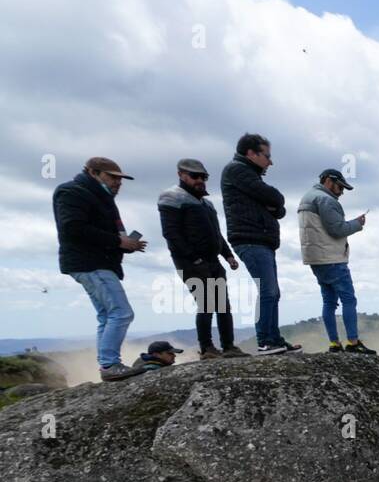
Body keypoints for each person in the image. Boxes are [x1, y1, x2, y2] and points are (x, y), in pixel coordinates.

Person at [52, 157, 149, 381]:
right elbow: (73, 228)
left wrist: (128, 245)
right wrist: (118, 242)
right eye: (112, 177)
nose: (118, 183)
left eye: (120, 179)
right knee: (121, 312)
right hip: (89, 263)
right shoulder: (72, 192)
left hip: (98, 262)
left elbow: (99, 232)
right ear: (93, 172)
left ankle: (108, 364)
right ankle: (109, 365)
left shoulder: (101, 198)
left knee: (107, 315)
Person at [158, 158, 249, 359]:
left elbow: (216, 233)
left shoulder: (206, 203)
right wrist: (193, 258)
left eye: (203, 176)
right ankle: (207, 348)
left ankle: (229, 346)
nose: (200, 180)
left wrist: (228, 255)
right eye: (194, 176)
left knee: (223, 304)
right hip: (190, 262)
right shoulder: (171, 197)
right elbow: (171, 234)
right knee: (207, 303)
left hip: (212, 260)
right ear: (181, 175)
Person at [220, 133, 299, 355]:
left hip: (260, 240)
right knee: (268, 290)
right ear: (251, 153)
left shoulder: (249, 174)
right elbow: (276, 198)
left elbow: (279, 209)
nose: (270, 162)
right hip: (250, 239)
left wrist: (273, 205)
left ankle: (273, 338)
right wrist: (271, 204)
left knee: (272, 291)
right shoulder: (237, 170)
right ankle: (265, 341)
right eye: (267, 156)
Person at [298, 169, 375, 354]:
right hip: (331, 258)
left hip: (315, 259)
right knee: (349, 300)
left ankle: (334, 344)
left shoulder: (307, 198)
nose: (341, 192)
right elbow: (337, 229)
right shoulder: (325, 200)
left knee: (329, 302)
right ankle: (353, 343)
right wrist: (358, 224)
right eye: (340, 187)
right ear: (328, 181)